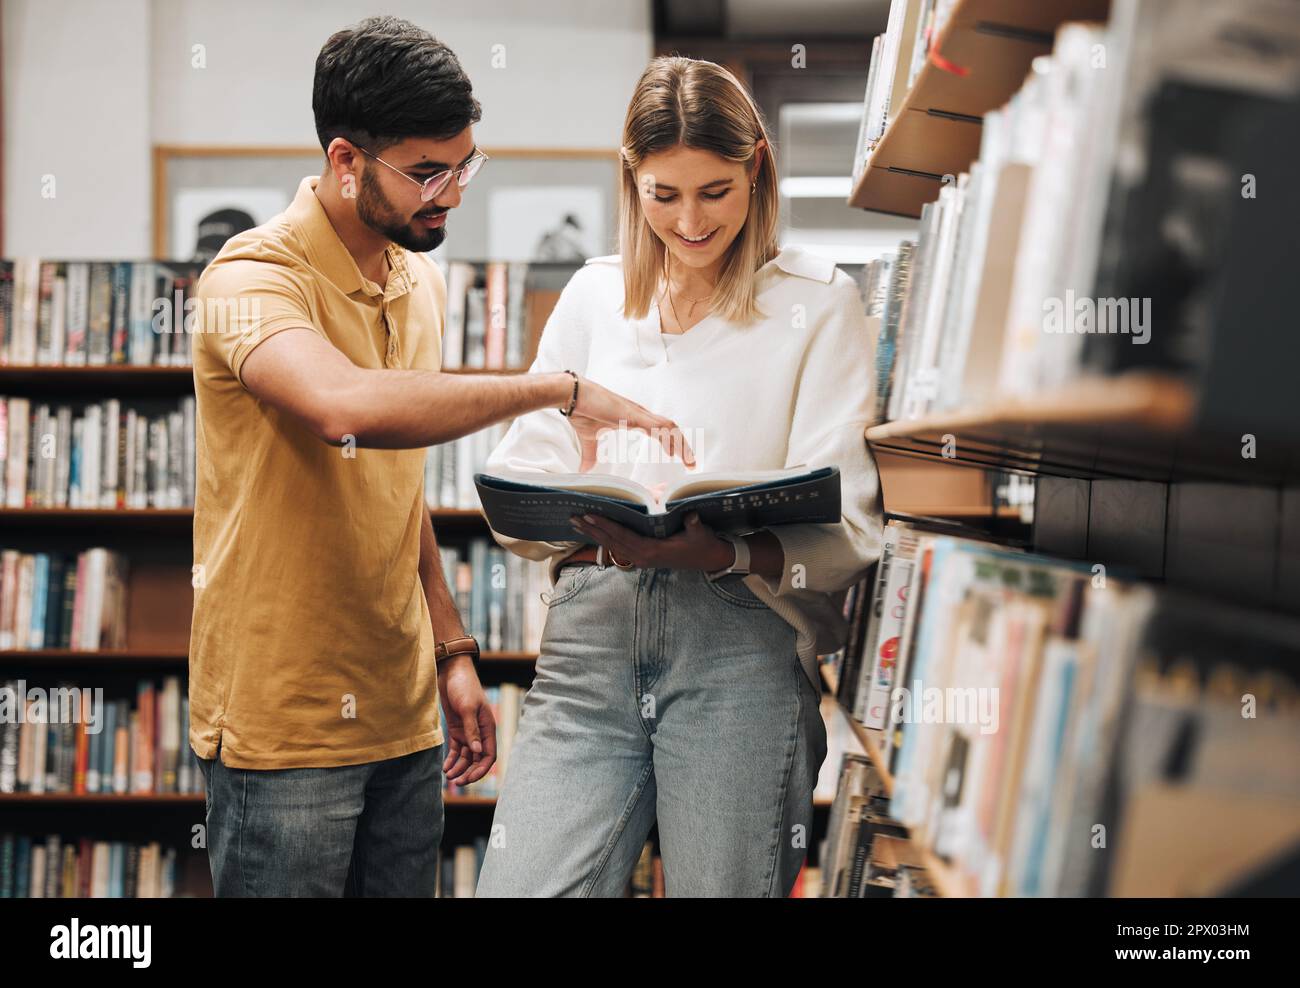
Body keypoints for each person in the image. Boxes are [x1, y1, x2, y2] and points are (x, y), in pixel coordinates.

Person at [187, 17, 690, 897]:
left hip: (402, 710)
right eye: (427, 171)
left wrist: (452, 649)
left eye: (465, 164)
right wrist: (553, 388)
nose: (451, 192)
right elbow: (344, 408)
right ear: (346, 161)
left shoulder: (416, 276)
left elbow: (392, 485)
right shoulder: (246, 281)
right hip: (285, 725)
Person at [475, 56, 883, 897]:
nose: (691, 222)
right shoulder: (592, 298)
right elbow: (515, 497)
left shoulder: (821, 303)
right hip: (591, 632)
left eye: (715, 192)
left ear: (756, 168)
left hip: (740, 643)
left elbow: (851, 539)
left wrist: (726, 556)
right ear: (633, 181)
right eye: (664, 196)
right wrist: (580, 477)